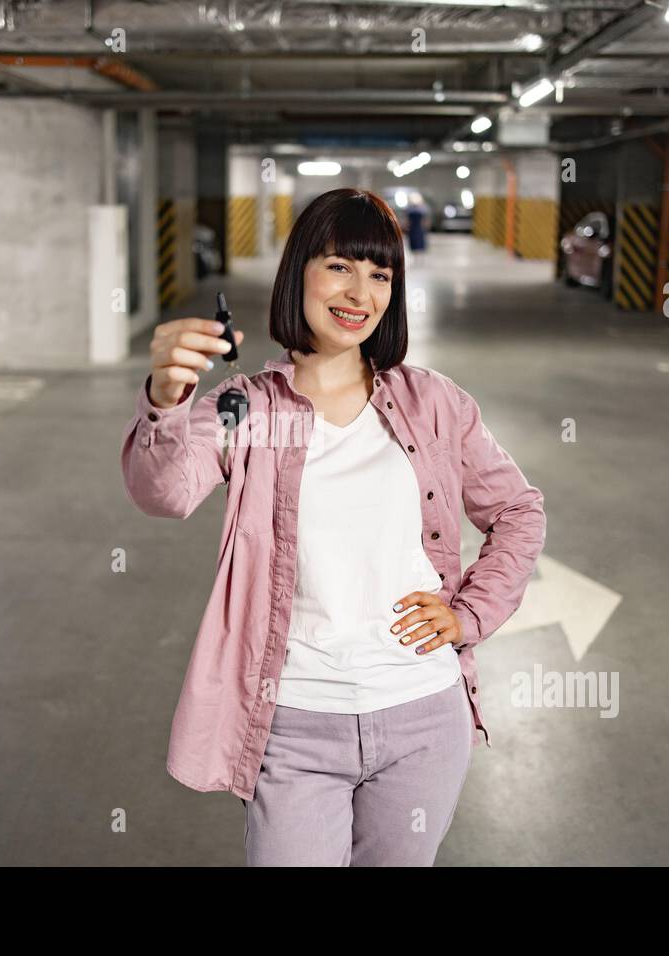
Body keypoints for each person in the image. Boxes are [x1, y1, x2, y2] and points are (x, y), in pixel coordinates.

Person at [121, 187, 546, 866]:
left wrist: (470, 612)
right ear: (300, 274)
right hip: (293, 723)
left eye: (380, 275)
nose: (361, 292)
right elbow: (163, 492)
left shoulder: (432, 402)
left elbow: (519, 511)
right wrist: (165, 400)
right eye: (340, 266)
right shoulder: (245, 408)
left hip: (423, 716)